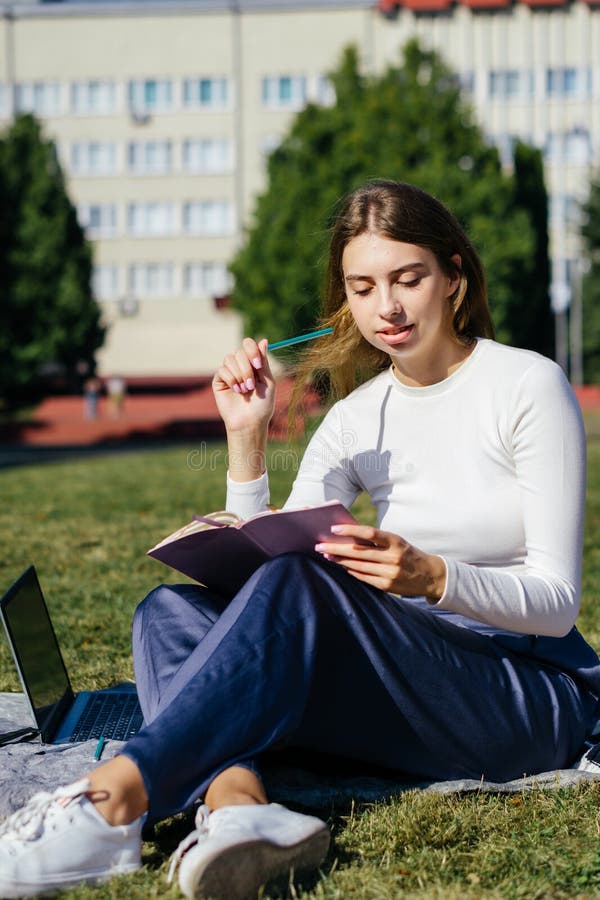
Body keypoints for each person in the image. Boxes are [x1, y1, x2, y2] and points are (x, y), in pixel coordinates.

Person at [2, 179, 600, 899]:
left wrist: (432, 576)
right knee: (170, 612)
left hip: (524, 693)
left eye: (408, 278)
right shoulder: (357, 416)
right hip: (411, 679)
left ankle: (113, 800)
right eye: (363, 286)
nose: (388, 307)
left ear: (453, 276)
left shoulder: (526, 385)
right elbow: (269, 566)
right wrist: (247, 439)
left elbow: (558, 603)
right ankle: (236, 808)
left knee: (304, 588)